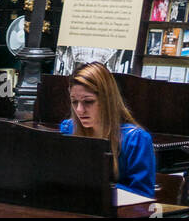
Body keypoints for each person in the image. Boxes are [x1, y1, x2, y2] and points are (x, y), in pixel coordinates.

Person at [59, 62, 156, 197]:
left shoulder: (136, 139)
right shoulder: (68, 129)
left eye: (88, 101)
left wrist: (99, 186)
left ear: (107, 100)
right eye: (74, 102)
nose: (79, 110)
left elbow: (143, 195)